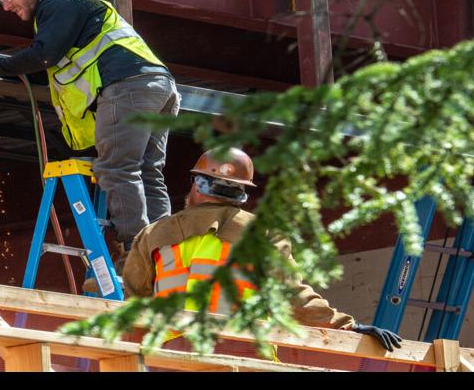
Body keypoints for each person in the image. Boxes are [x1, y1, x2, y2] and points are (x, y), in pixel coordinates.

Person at [0, 0, 177, 265]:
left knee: (116, 169)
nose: (6, 6)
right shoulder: (71, 3)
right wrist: (0, 63)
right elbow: (49, 61)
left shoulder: (59, 0)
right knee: (147, 172)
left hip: (128, 87)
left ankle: (135, 253)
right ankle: (162, 254)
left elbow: (44, 55)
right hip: (156, 87)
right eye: (0, 0)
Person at [119, 148, 403, 351]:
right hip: (243, 351)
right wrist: (348, 326)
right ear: (242, 193)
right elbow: (292, 297)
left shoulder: (153, 234)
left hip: (172, 353)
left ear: (197, 184)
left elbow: (135, 303)